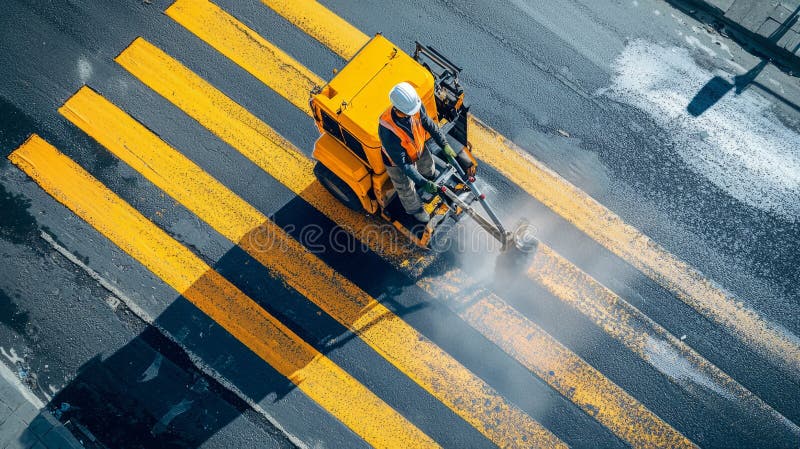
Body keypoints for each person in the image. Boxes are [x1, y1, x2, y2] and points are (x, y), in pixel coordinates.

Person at [378, 82, 476, 223]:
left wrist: (444, 144)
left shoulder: (414, 106)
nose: (415, 111)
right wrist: (422, 182)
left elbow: (430, 125)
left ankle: (430, 178)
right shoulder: (387, 128)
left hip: (418, 147)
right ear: (399, 109)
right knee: (406, 188)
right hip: (397, 162)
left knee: (428, 166)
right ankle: (415, 210)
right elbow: (404, 165)